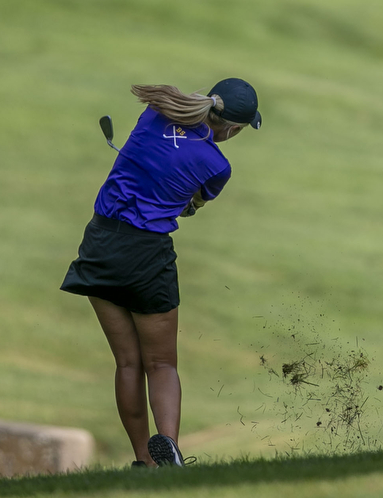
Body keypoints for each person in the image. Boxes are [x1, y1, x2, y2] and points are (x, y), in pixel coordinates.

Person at [60, 78, 261, 467]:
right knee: (161, 363)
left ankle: (143, 461)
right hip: (146, 256)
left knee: (127, 363)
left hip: (100, 243)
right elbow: (193, 202)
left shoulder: (153, 113)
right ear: (233, 128)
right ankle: (168, 451)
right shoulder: (218, 165)